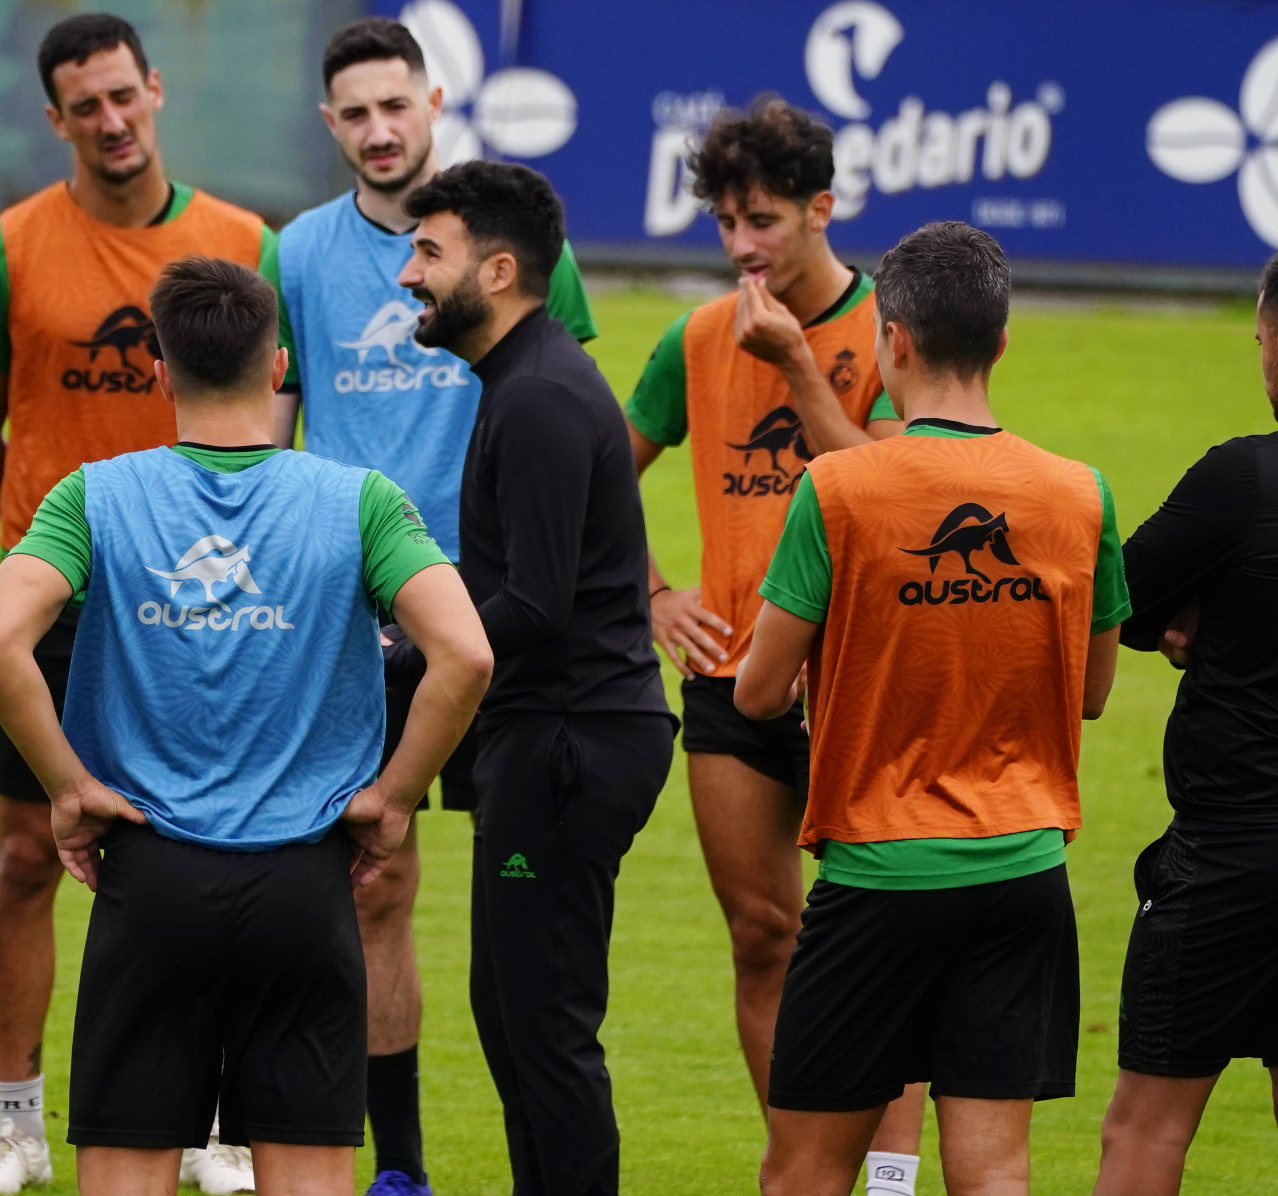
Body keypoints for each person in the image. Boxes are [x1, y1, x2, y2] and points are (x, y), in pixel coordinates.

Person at [0, 253, 491, 1196]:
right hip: (305, 880)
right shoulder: (361, 501)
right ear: (280, 366)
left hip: (150, 877)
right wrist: (394, 799)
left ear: (158, 372)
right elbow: (467, 655)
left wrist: (70, 791)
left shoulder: (93, 496)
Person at [259, 24, 595, 1192]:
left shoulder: (506, 244)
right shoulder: (294, 252)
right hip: (361, 616)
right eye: (353, 114)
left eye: (394, 104)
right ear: (328, 126)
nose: (378, 130)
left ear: (435, 99)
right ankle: (398, 1167)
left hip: (507, 612)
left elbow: (578, 424)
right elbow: (269, 431)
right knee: (375, 877)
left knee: (521, 921)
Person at [0, 15, 273, 1195]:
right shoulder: (5, 250)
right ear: (56, 119)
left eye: (124, 95)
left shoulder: (241, 240)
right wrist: (51, 541)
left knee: (222, 851)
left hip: (210, 601)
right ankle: (19, 1126)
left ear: (156, 89)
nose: (112, 120)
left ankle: (217, 1124)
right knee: (28, 851)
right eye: (85, 105)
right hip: (70, 606)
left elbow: (278, 420)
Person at [735, 221, 1128, 1196]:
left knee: (802, 1170)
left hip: (877, 874)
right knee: (992, 1167)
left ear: (891, 342)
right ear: (999, 341)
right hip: (1023, 869)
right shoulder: (1080, 495)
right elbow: (1086, 695)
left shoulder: (836, 488)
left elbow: (751, 691)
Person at [624, 95, 927, 1192]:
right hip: (730, 678)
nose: (742, 245)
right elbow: (601, 474)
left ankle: (888, 1177)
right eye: (723, 223)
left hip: (865, 679)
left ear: (820, 208)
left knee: (882, 940)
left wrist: (797, 364)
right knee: (760, 933)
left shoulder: (894, 329)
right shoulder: (695, 338)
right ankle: (803, 1159)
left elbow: (890, 502)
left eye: (760, 219)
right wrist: (651, 595)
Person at [397, 160, 676, 1196]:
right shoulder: (519, 381)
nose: (407, 276)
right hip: (546, 735)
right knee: (509, 1009)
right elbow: (503, 583)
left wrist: (405, 645)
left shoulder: (543, 396)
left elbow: (533, 604)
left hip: (569, 740)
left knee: (544, 1023)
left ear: (499, 269)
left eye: (428, 252)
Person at [1090, 251, 1278, 1195]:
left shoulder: (1240, 480)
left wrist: (1185, 624)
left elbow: (1116, 598)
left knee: (1146, 1129)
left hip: (1230, 857)